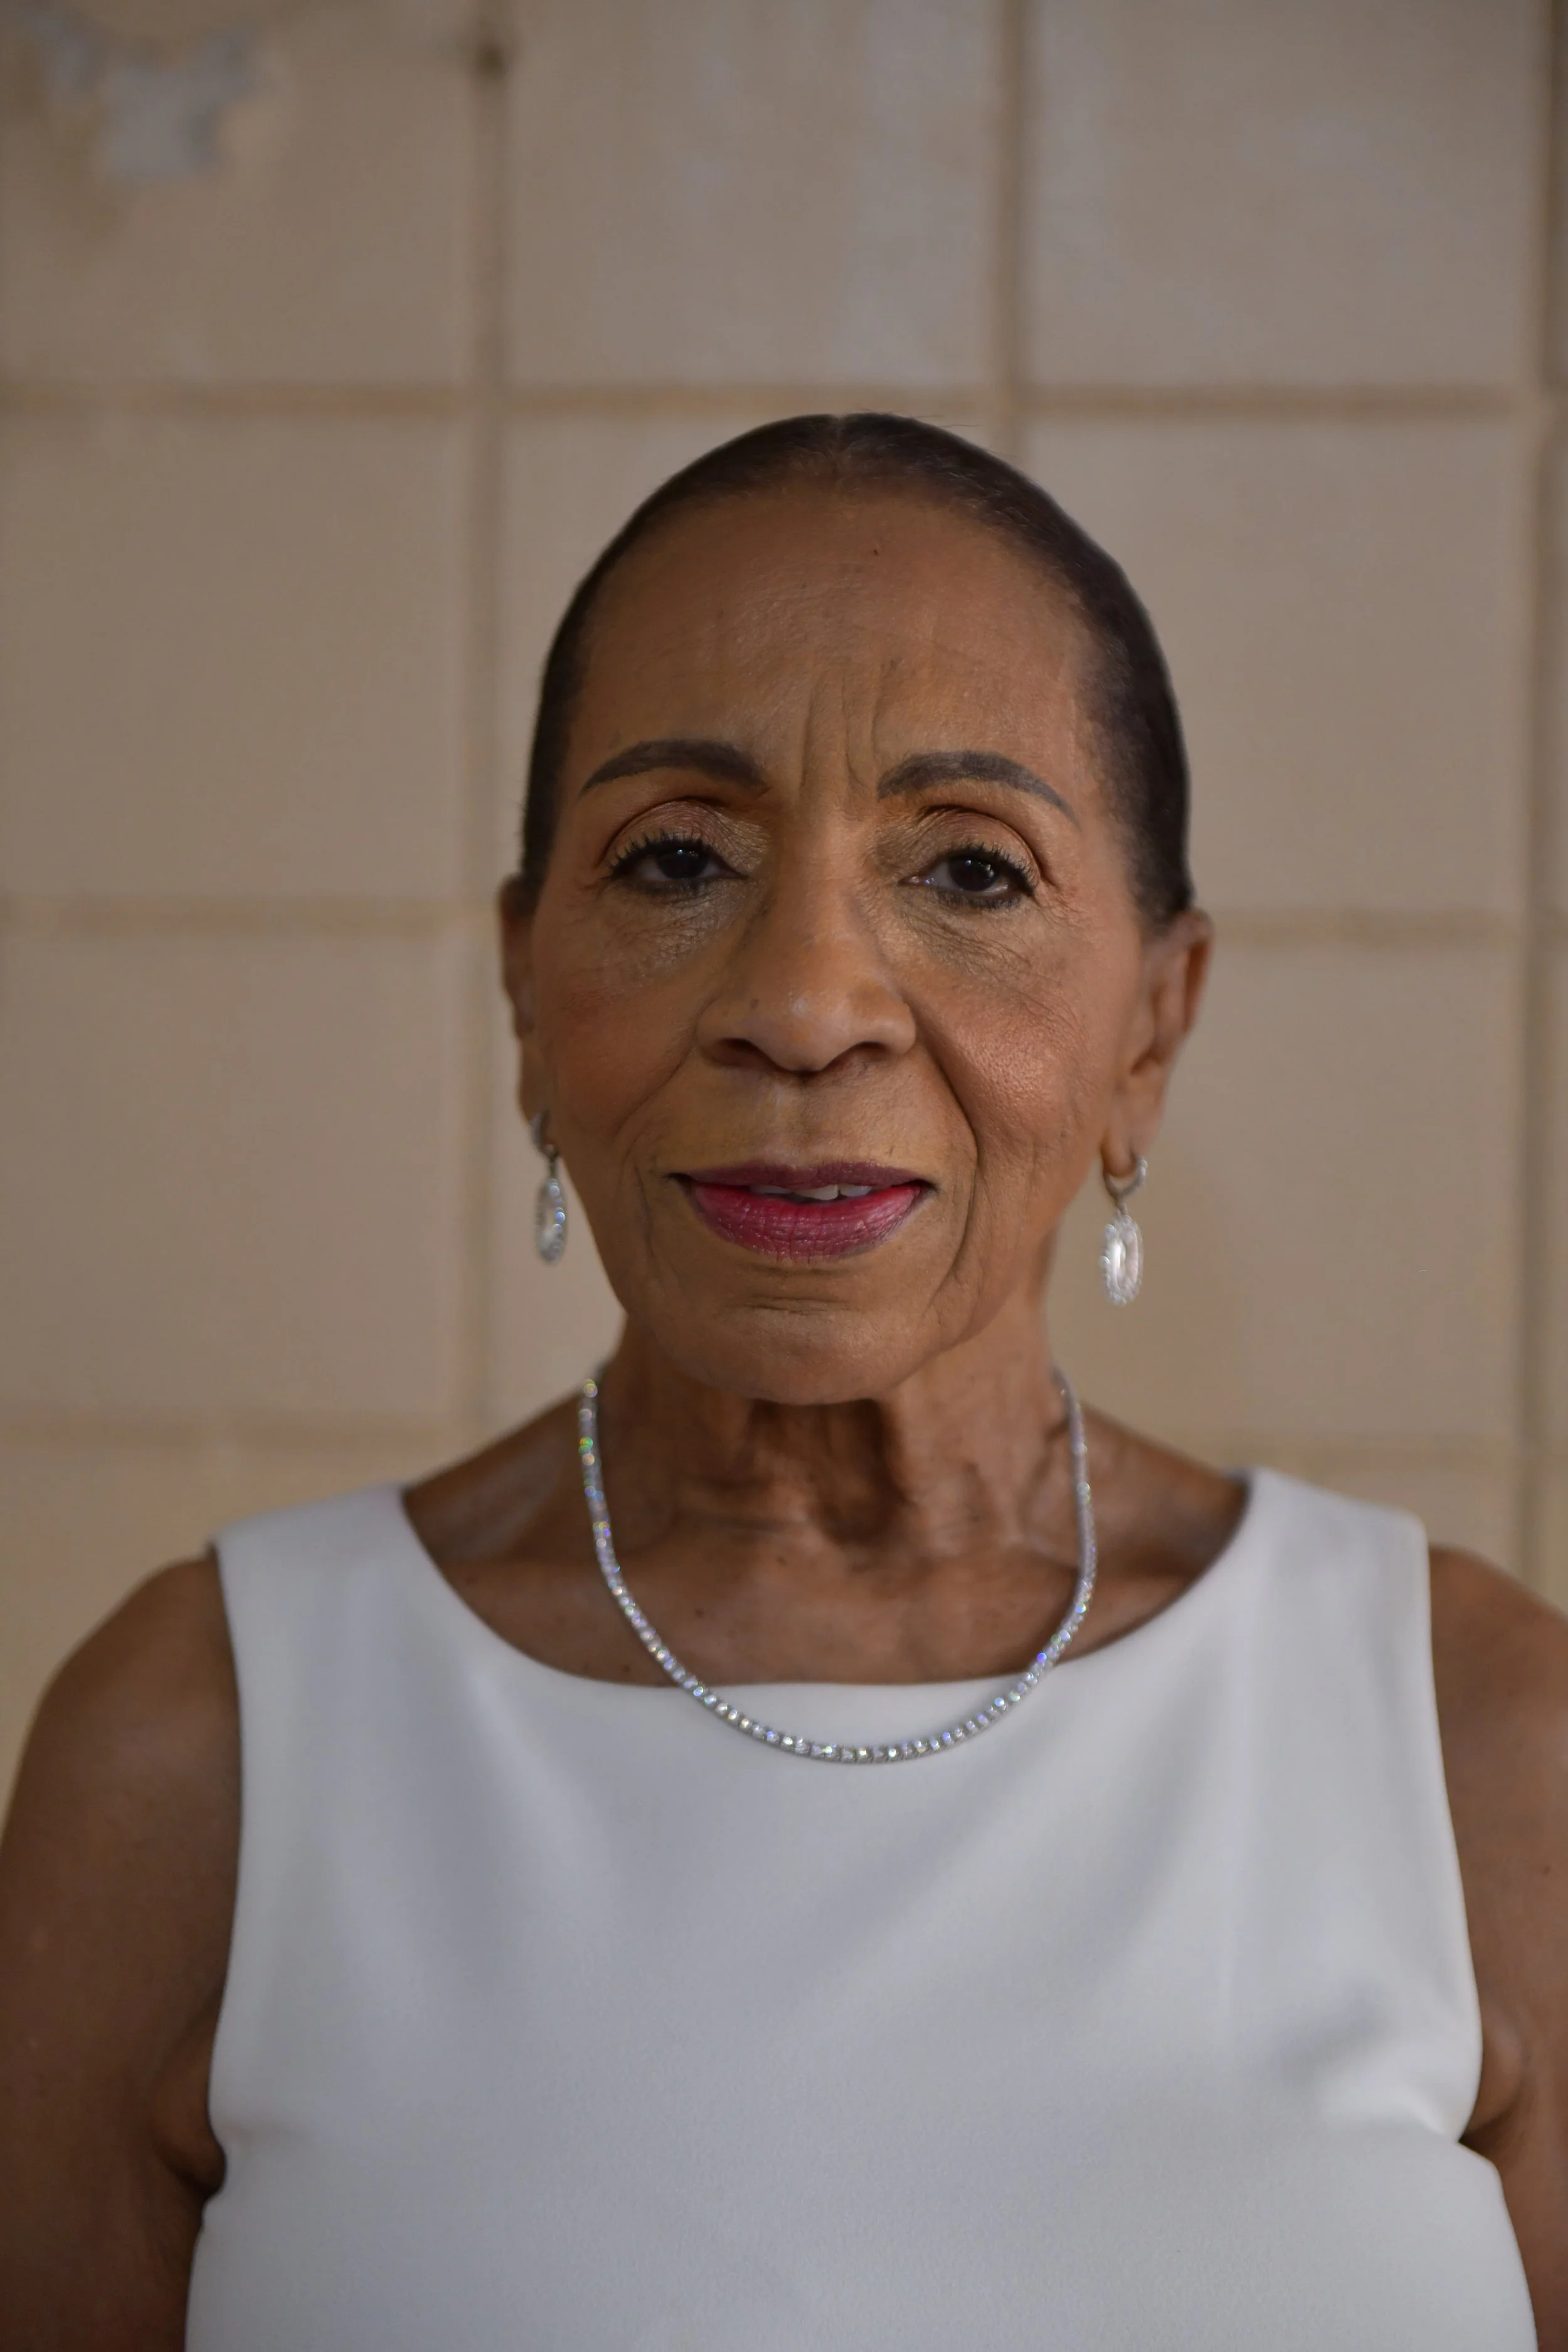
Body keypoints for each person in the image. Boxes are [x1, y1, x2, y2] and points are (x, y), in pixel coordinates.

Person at [0, 413, 1562, 2350]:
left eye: (969, 872)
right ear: (522, 987)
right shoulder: (198, 1742)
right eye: (675, 857)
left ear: (1152, 1021)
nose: (806, 1003)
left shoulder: (1479, 1746)